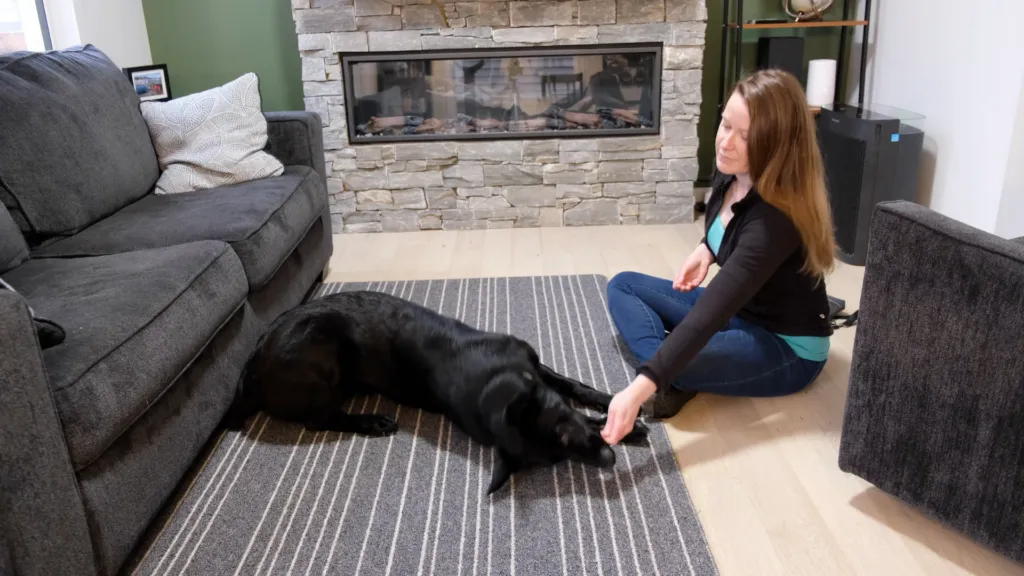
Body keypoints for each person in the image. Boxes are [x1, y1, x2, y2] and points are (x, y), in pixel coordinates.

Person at [601, 69, 838, 446]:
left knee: (683, 352)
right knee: (623, 285)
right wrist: (706, 249)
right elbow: (726, 229)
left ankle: (670, 370)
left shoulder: (774, 220)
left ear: (775, 143)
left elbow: (710, 311)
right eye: (725, 124)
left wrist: (633, 394)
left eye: (745, 136)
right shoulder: (733, 171)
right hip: (738, 313)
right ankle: (671, 367)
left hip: (786, 348)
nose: (726, 142)